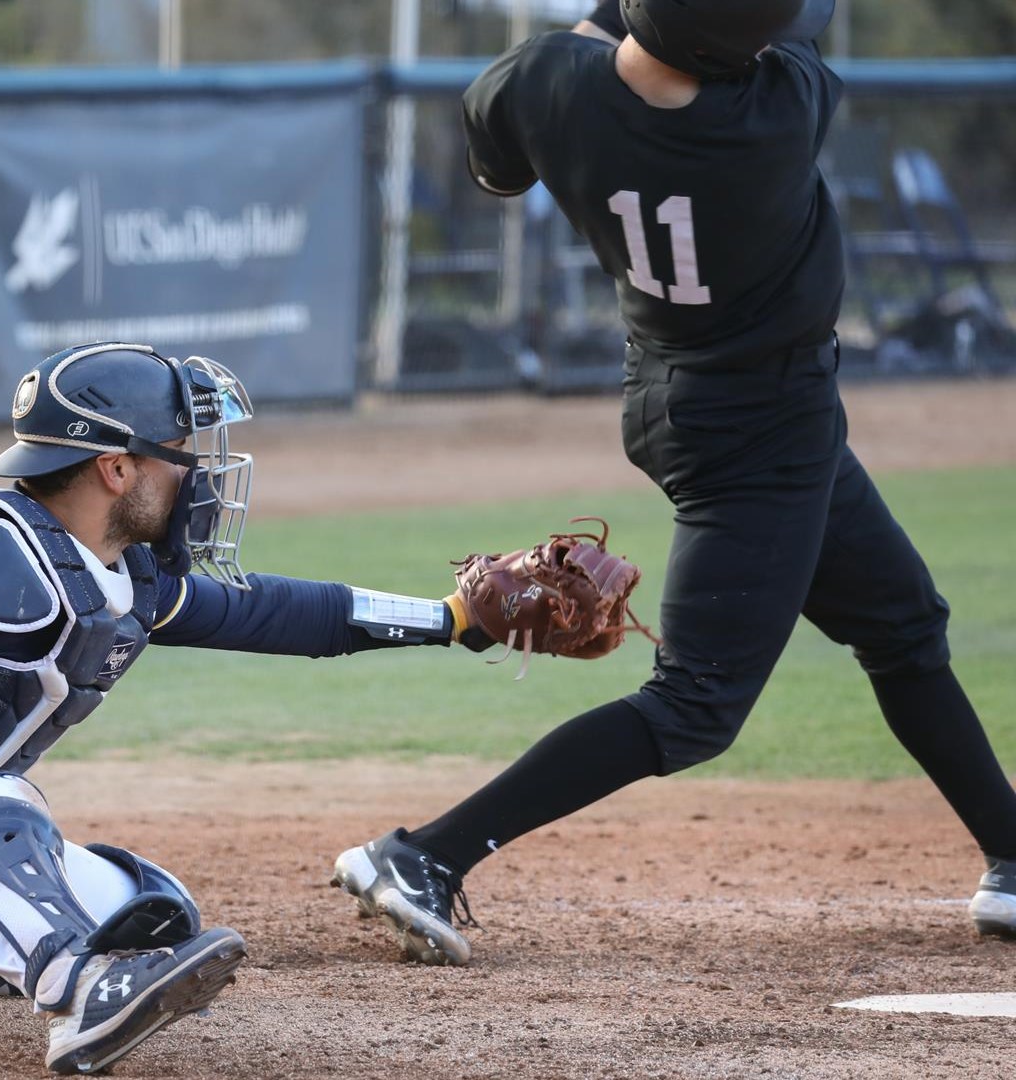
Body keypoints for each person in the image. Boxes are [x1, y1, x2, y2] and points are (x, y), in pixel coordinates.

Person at [333, 0, 1016, 967]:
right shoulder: (779, 113)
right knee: (694, 706)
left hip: (683, 391)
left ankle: (1013, 855)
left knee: (902, 626)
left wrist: (607, 32)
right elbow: (764, 43)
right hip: (758, 426)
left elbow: (501, 157)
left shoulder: (547, 80)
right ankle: (424, 856)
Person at [0, 342, 511, 1073]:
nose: (201, 474)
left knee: (150, 916)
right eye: (180, 452)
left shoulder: (111, 565)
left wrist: (455, 618)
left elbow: (274, 612)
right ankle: (79, 998)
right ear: (116, 467)